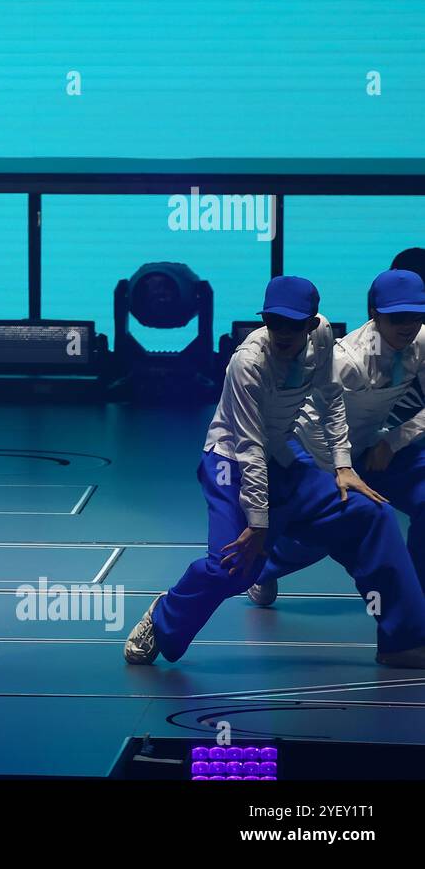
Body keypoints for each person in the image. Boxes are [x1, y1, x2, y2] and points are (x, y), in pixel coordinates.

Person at [124, 276, 425, 668]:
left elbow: (331, 399)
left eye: (294, 324)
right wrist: (259, 526)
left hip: (285, 451)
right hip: (230, 459)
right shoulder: (247, 362)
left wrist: (343, 467)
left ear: (312, 323)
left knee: (371, 513)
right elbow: (249, 447)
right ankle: (163, 617)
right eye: (275, 322)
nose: (284, 332)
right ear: (265, 320)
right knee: (231, 566)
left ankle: (400, 640)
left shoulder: (322, 337)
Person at [250, 269, 425, 604]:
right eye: (398, 317)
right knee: (334, 526)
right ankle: (264, 570)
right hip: (319, 451)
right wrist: (340, 471)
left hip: (375, 444)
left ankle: (418, 597)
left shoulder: (422, 342)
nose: (408, 325)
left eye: (416, 315)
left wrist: (394, 441)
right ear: (375, 314)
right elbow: (318, 422)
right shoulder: (347, 360)